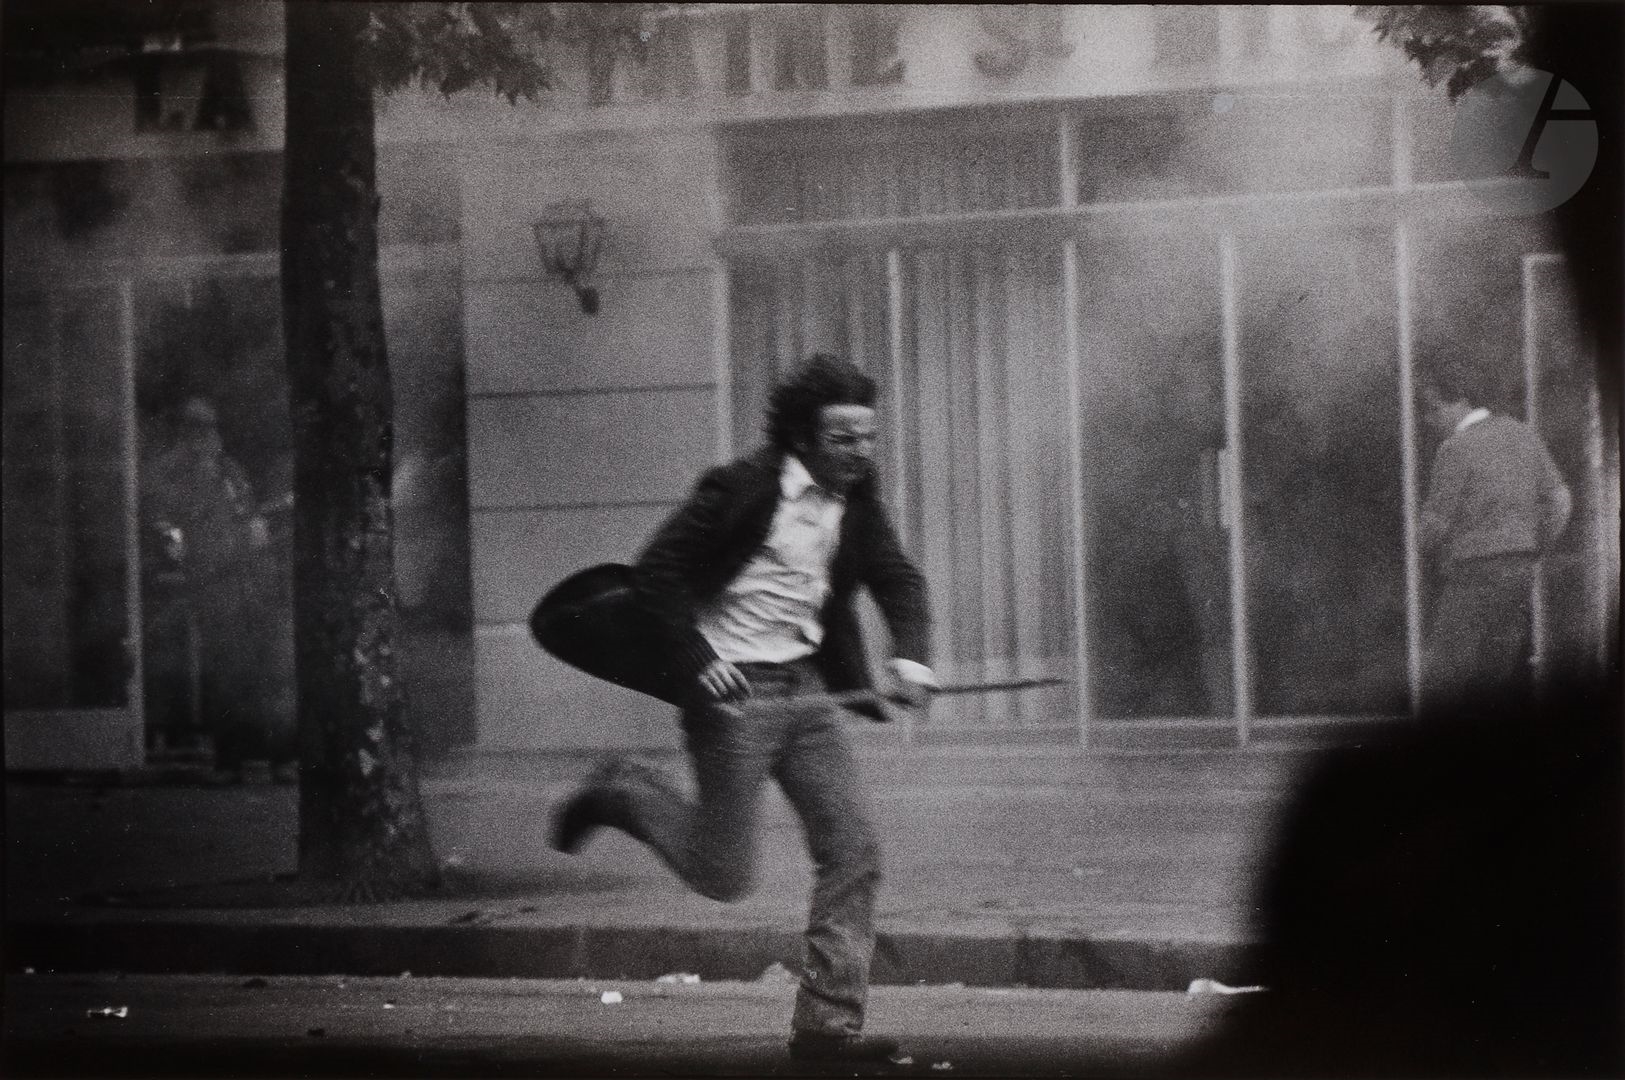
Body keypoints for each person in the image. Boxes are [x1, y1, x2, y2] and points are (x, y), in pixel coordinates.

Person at [549, 354, 935, 1063]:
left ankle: (826, 1027)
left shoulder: (856, 495)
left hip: (810, 691)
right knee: (723, 875)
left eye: (868, 438)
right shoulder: (740, 489)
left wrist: (909, 659)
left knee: (853, 851)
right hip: (733, 699)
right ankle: (624, 793)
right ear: (801, 437)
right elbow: (657, 572)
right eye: (844, 439)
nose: (860, 454)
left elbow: (894, 576)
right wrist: (700, 660)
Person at [1418, 376, 1572, 708]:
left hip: (1473, 569)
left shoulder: (1455, 449)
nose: (1428, 420)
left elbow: (1436, 524)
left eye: (1432, 410)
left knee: (1445, 672)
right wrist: (1535, 545)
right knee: (1495, 670)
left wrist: (1416, 548)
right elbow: (1560, 500)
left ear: (1459, 399)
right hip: (1519, 568)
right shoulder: (1523, 435)